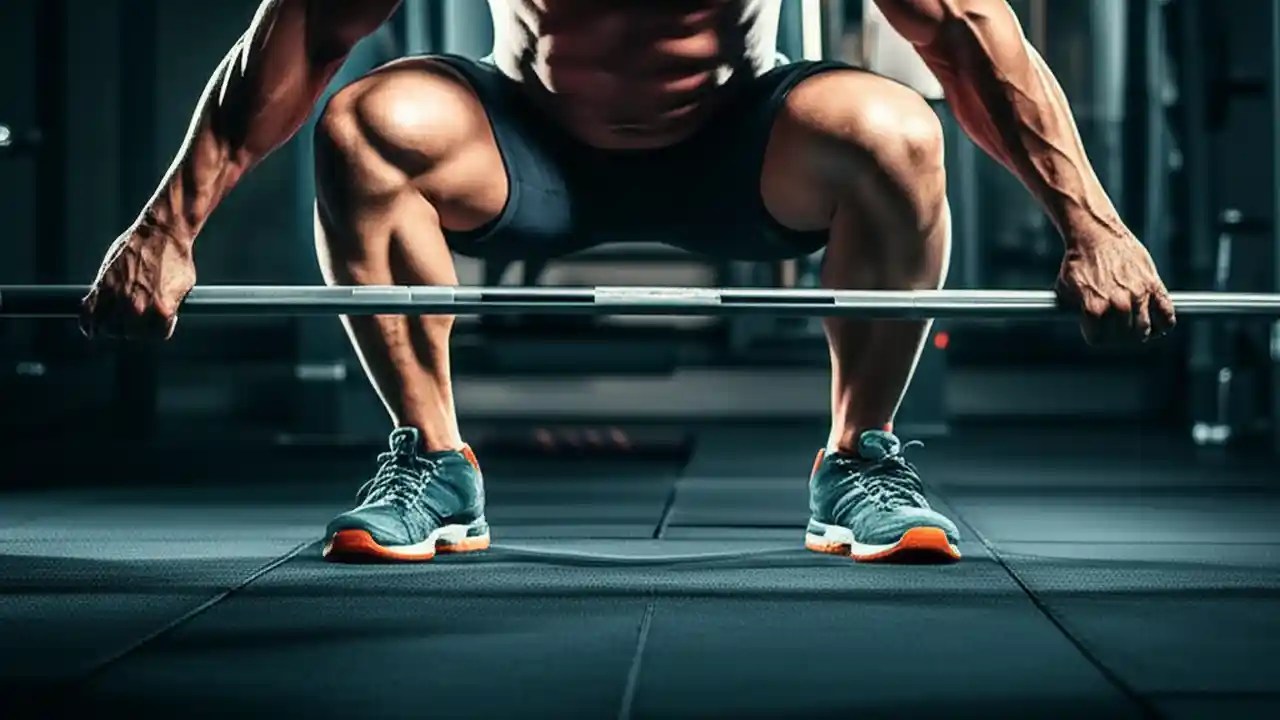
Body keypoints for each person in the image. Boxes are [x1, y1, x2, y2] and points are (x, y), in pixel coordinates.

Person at [79, 0, 1176, 564]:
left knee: (893, 130)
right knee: (370, 122)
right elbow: (307, 29)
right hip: (528, 143)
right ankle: (433, 462)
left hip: (736, 147)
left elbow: (967, 33)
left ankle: (859, 462)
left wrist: (1092, 227)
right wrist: (167, 228)